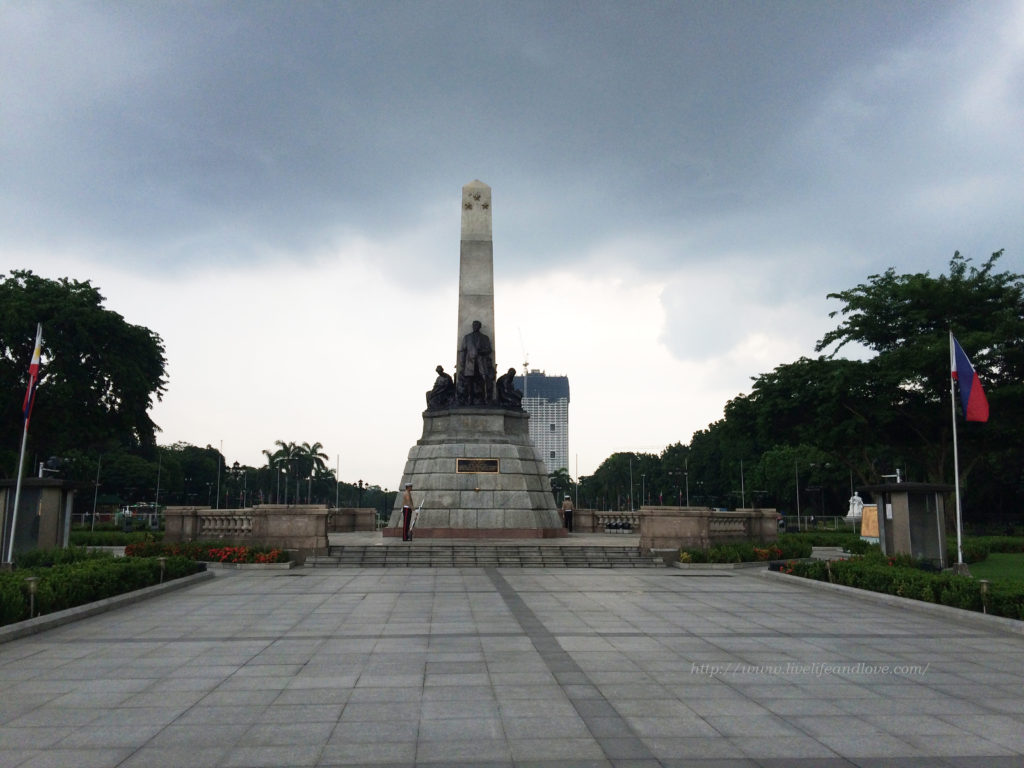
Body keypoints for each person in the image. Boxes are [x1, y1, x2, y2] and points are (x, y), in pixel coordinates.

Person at [457, 320, 494, 405]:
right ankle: (470, 398)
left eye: (477, 325)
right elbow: (463, 350)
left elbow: (489, 350)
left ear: (479, 327)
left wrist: (482, 352)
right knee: (469, 381)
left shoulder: (485, 338)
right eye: (474, 325)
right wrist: (462, 362)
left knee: (483, 380)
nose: (475, 326)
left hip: (481, 362)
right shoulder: (467, 337)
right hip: (470, 363)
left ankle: (484, 399)